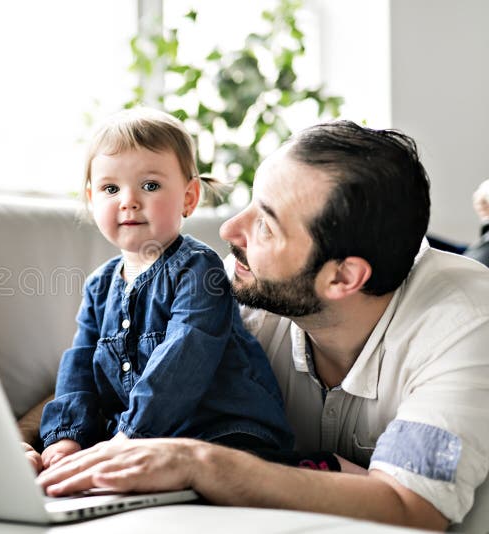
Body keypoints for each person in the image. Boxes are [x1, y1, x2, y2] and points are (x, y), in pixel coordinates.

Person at [34, 121, 489, 530]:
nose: (231, 229)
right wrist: (23, 442)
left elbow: (411, 507)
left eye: (266, 226)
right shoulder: (242, 288)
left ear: (342, 277)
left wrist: (198, 461)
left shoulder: (466, 326)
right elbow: (106, 365)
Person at [37, 107, 294, 470]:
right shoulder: (99, 287)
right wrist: (66, 437)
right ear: (92, 199)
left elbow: (184, 356)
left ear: (189, 198)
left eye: (150, 185)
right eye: (111, 188)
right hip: (141, 440)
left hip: (226, 435)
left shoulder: (198, 269)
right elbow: (78, 365)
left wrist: (129, 438)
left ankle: (308, 467)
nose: (129, 200)